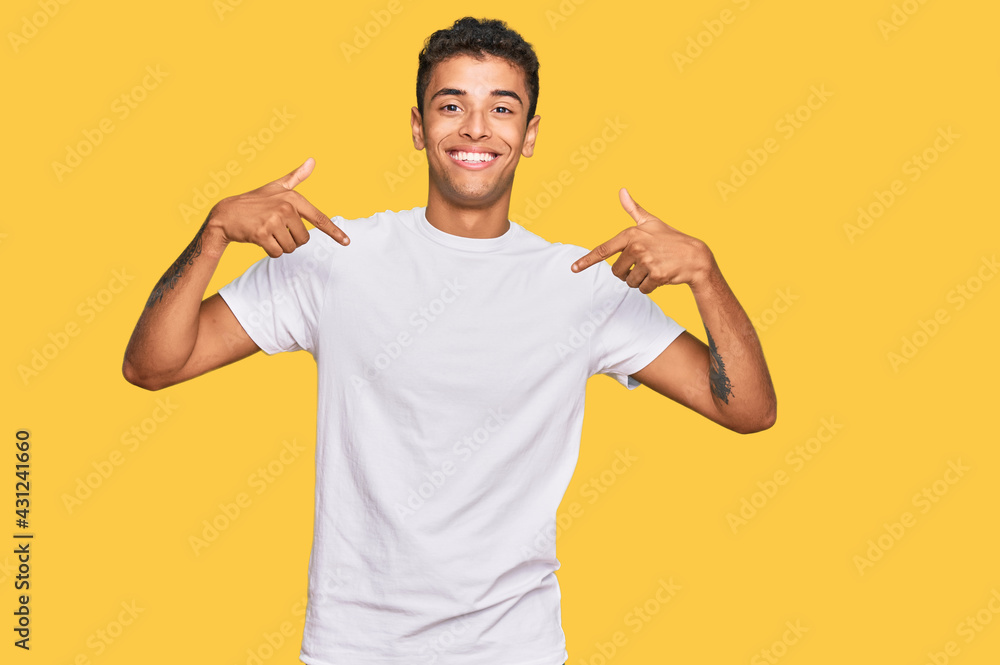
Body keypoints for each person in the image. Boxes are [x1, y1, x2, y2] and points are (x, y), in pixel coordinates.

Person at [122, 16, 776, 665]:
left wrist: (705, 275)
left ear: (530, 135)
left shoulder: (581, 284)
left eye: (502, 107)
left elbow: (747, 409)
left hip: (514, 648)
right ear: (417, 126)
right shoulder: (336, 259)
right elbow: (154, 364)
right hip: (354, 648)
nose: (475, 128)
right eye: (451, 104)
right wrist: (213, 235)